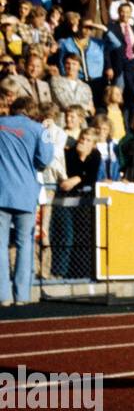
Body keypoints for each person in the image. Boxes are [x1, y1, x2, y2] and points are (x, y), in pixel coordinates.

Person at [0, 81, 55, 305]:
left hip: (1, 192)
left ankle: (2, 295)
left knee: (0, 245)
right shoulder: (38, 129)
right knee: (25, 245)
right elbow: (44, 161)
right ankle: (22, 295)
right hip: (25, 193)